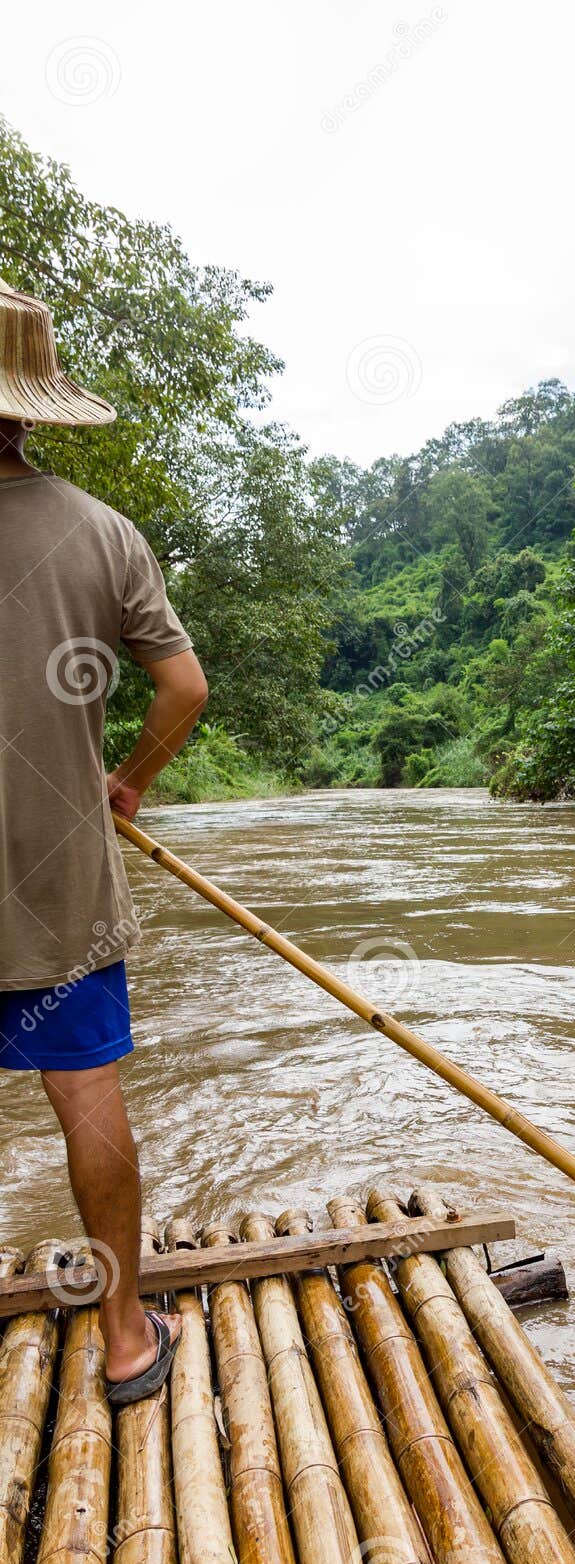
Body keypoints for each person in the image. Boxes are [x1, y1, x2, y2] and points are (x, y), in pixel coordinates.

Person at [0, 278, 208, 1404]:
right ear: (31, 406)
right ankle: (127, 1336)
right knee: (87, 1095)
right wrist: (124, 781)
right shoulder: (100, 533)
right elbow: (184, 686)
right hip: (56, 881)